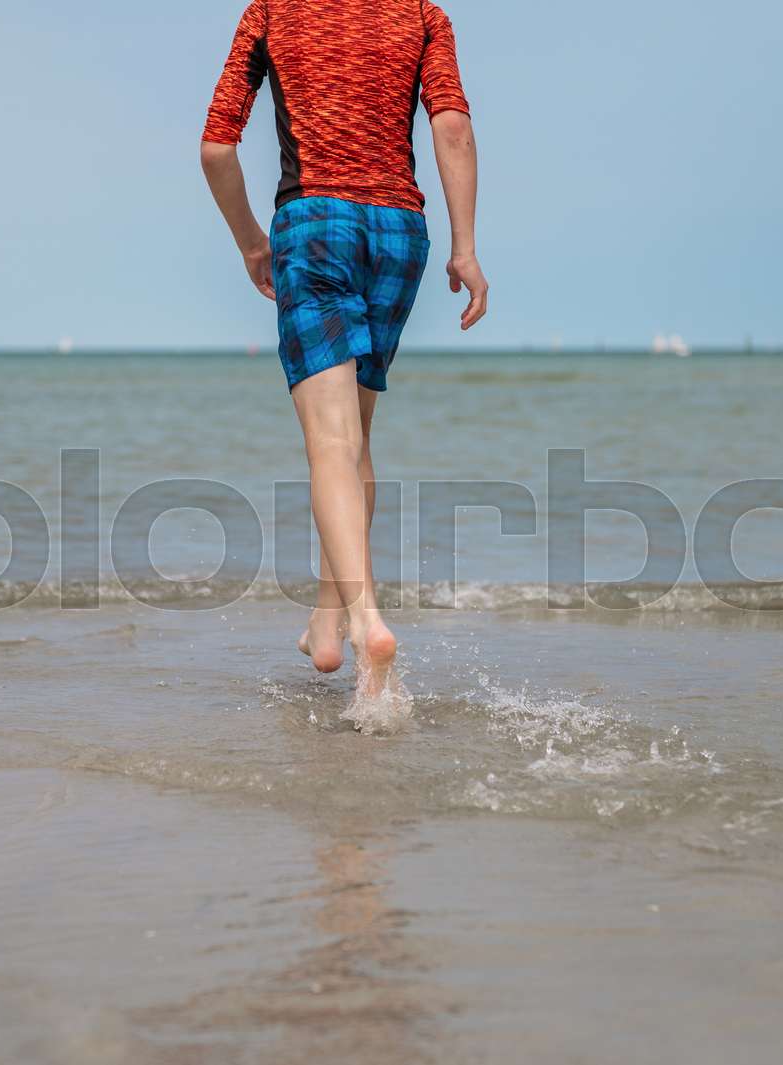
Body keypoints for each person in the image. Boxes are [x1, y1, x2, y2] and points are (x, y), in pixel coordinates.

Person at [200, 0, 487, 695]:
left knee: (331, 444)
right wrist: (466, 249)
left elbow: (216, 146)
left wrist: (249, 243)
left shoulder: (271, 9)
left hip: (316, 223)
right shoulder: (421, 12)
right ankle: (326, 627)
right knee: (354, 439)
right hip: (399, 233)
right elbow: (451, 126)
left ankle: (365, 620)